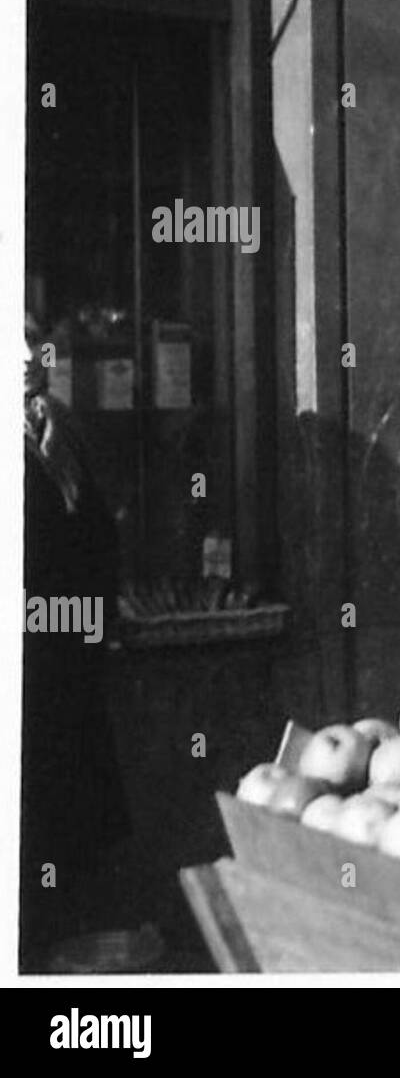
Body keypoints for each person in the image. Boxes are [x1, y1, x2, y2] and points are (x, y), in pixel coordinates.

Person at [22, 310, 131, 969]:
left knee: (70, 836)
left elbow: (97, 535)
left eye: (35, 340)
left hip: (69, 664)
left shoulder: (66, 431)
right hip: (26, 669)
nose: (28, 353)